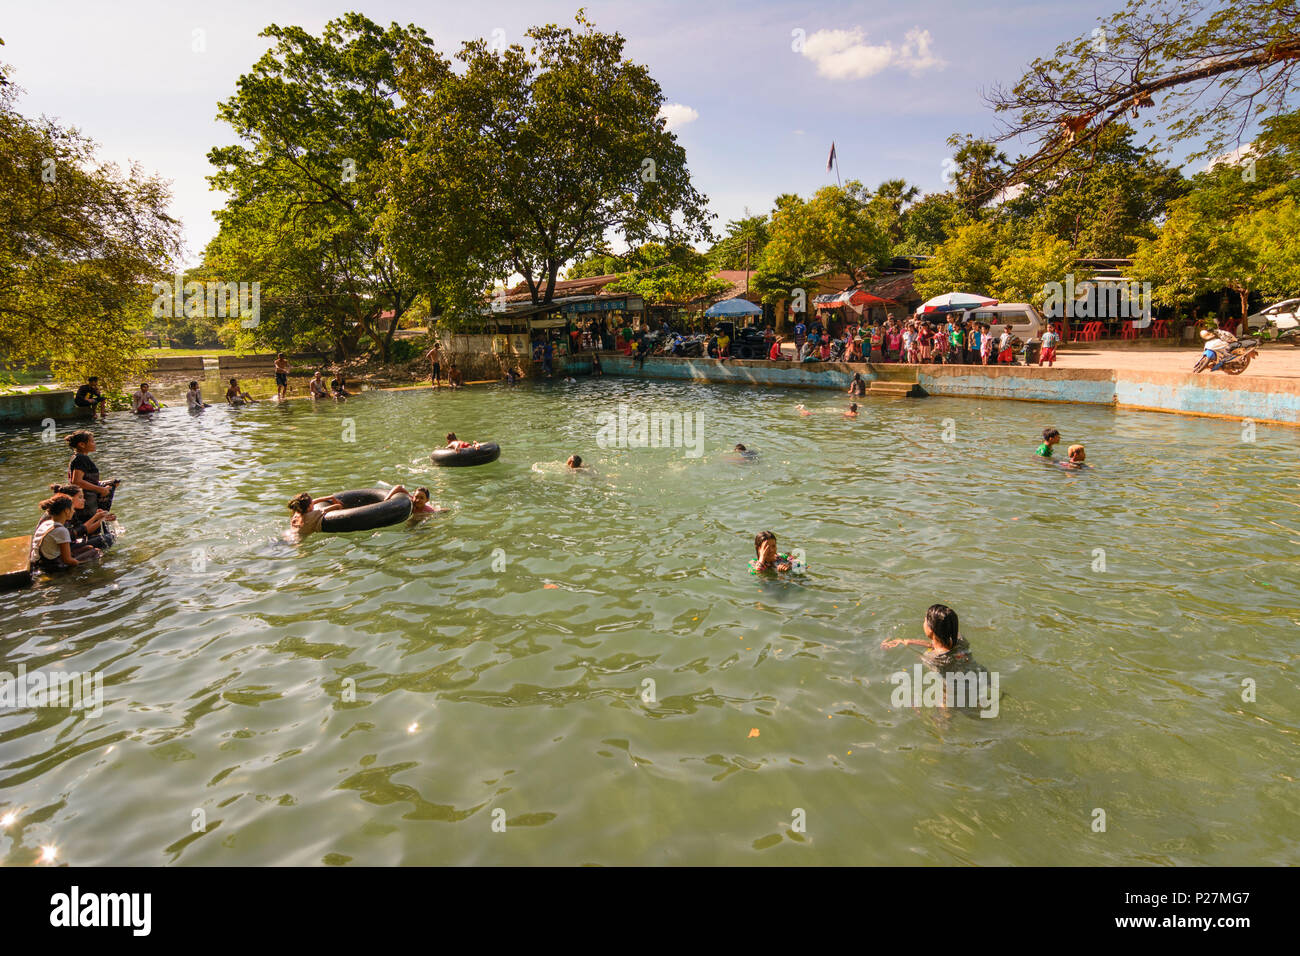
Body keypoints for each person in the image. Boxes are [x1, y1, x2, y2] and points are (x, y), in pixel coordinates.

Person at [880, 604, 972, 670]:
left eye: (925, 621)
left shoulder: (932, 658)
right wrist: (906, 641)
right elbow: (935, 645)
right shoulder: (959, 638)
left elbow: (947, 685)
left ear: (931, 630)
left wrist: (899, 649)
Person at [30, 494, 100, 572]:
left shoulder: (46, 523)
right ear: (67, 511)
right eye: (72, 508)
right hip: (49, 566)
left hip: (38, 561)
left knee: (89, 548)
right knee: (95, 552)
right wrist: (81, 564)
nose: (73, 511)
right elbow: (67, 560)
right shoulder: (61, 530)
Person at [66, 430, 119, 519]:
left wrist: (105, 484)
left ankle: (102, 515)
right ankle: (101, 516)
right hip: (87, 498)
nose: (94, 443)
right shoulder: (81, 458)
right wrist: (100, 490)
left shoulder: (78, 457)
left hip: (89, 495)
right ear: (82, 445)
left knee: (114, 483)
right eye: (92, 441)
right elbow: (76, 481)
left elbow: (86, 479)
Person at [49, 483, 115, 549]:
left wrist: (101, 519)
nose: (84, 500)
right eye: (80, 497)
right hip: (65, 548)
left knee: (106, 531)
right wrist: (96, 517)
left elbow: (84, 531)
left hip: (70, 543)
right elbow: (77, 533)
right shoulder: (64, 513)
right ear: (70, 498)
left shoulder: (73, 511)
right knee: (106, 539)